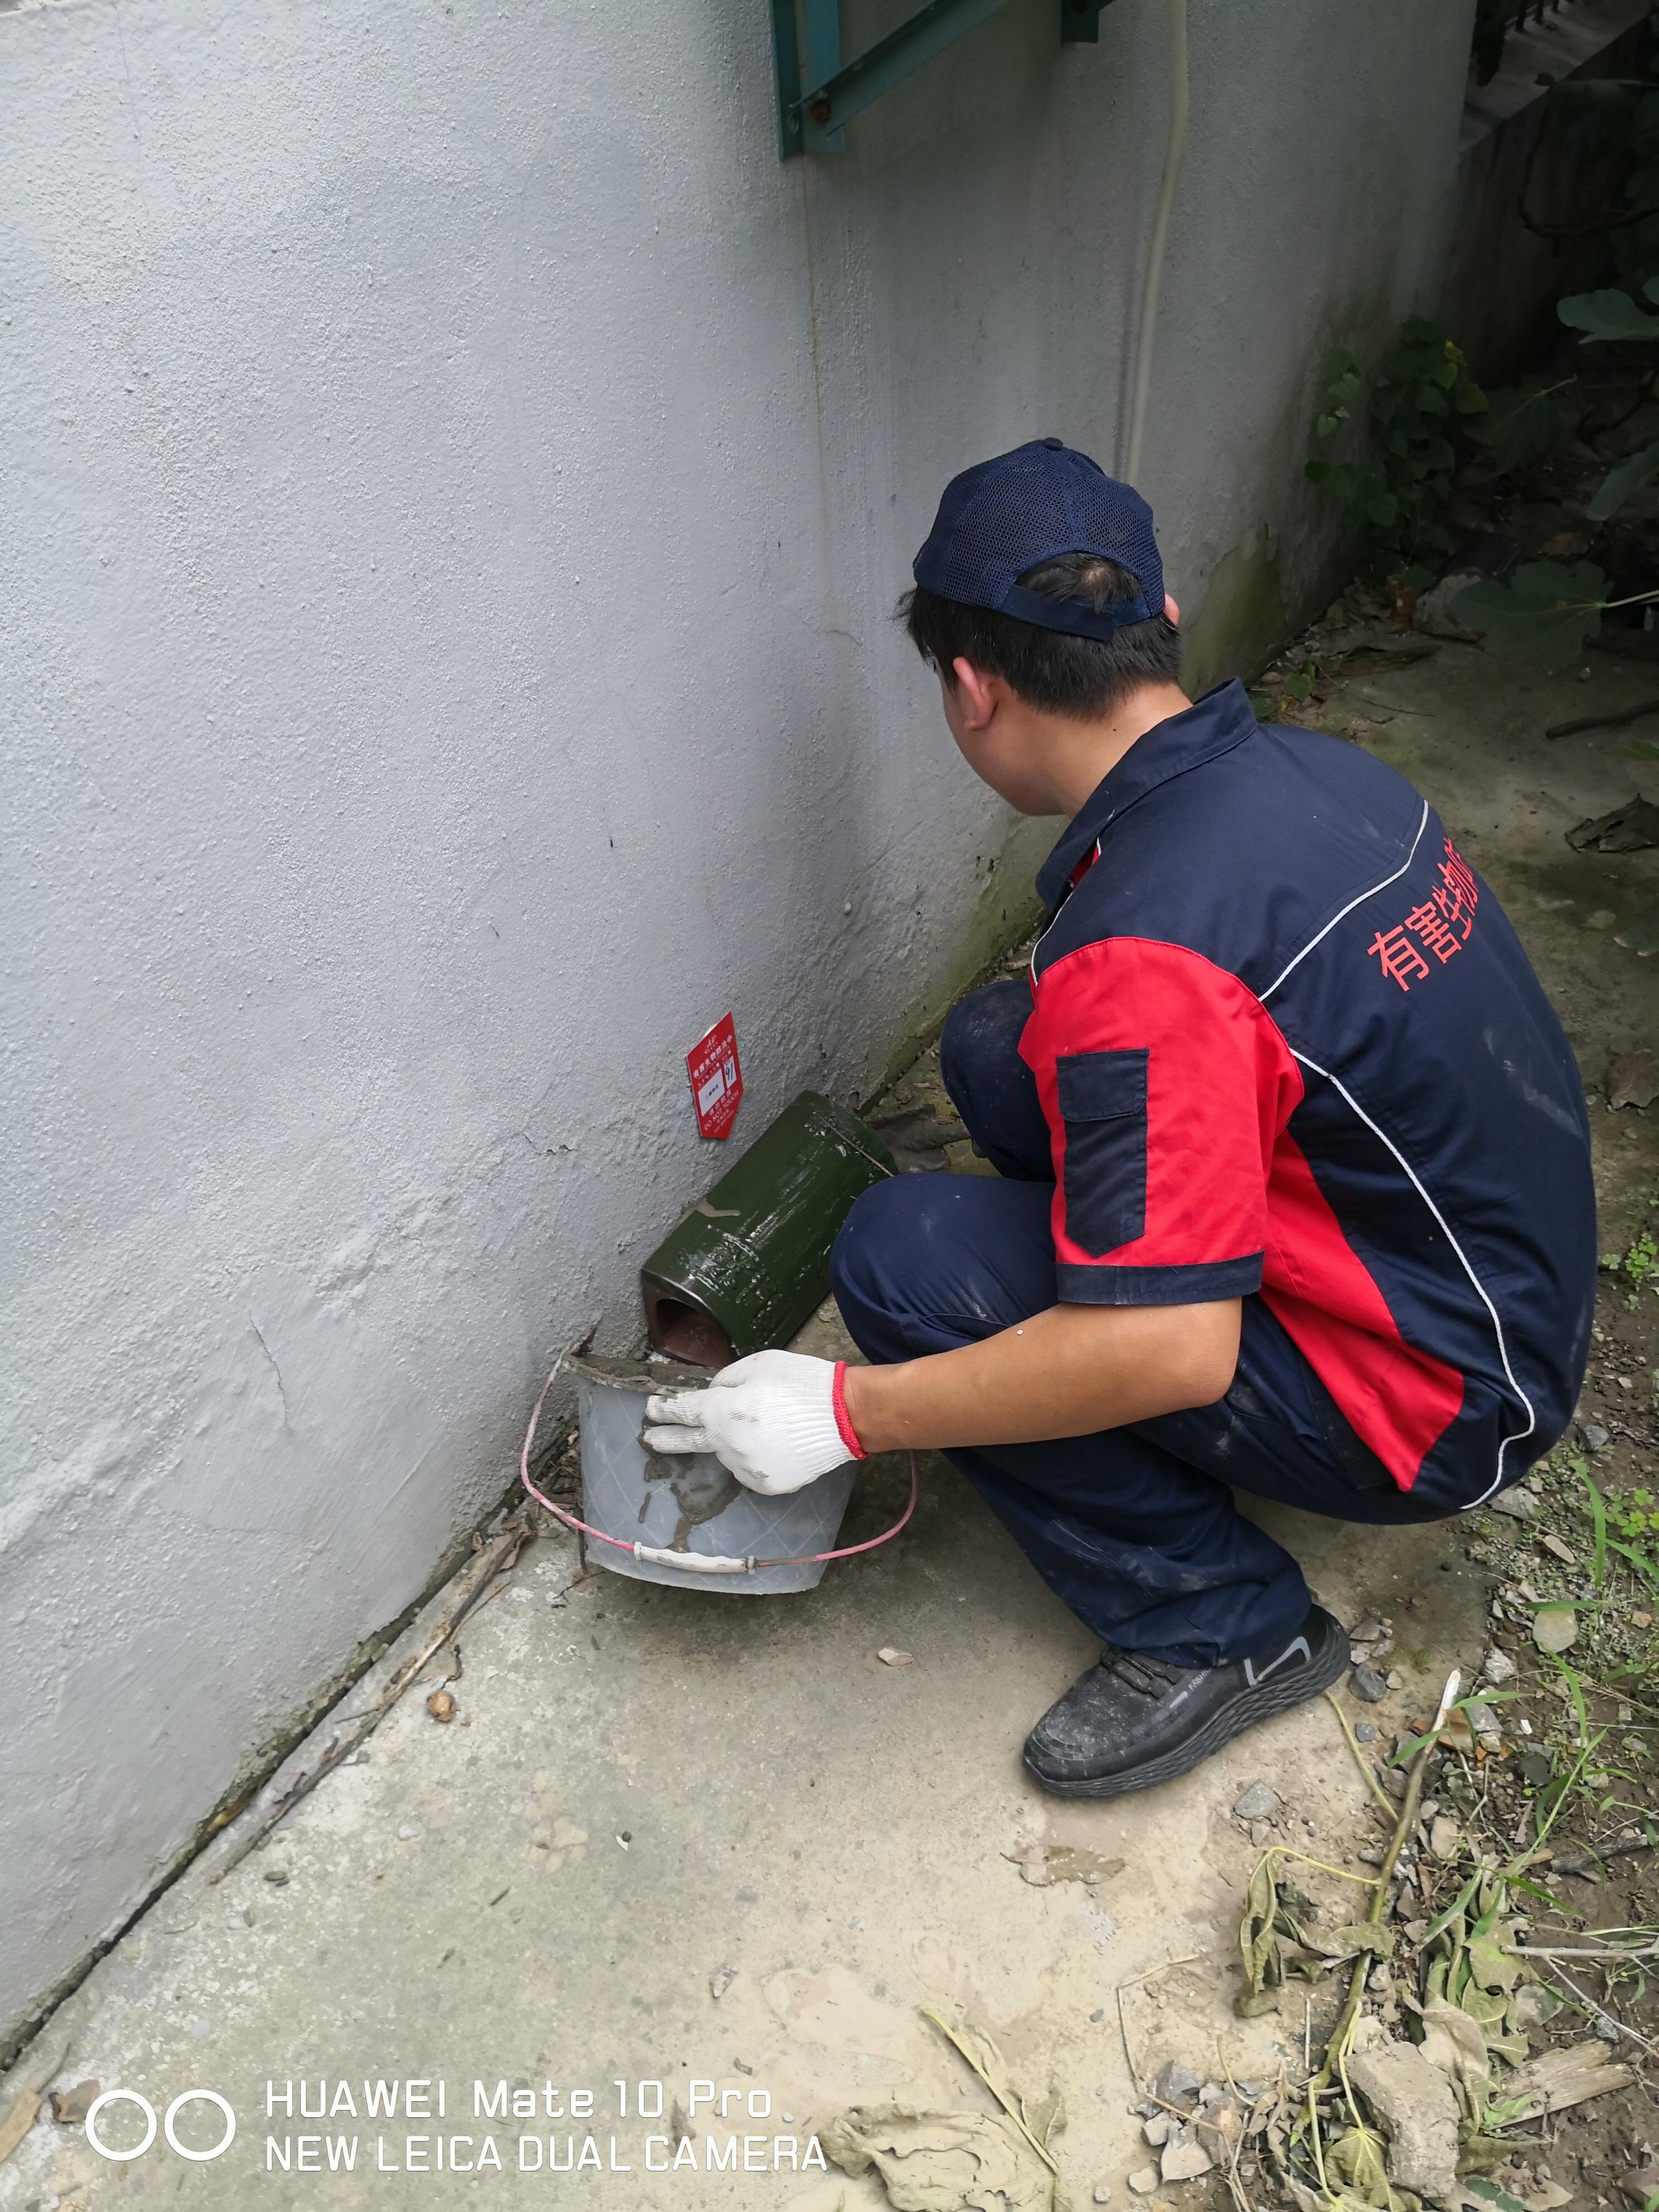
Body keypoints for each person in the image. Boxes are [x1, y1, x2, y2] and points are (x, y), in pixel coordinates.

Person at [644, 438, 1597, 1798]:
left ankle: (1224, 1625)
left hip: (1438, 1399)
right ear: (1162, 623)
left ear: (973, 688)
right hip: (1498, 1290)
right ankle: (1141, 1337)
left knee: (903, 1256)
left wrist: (853, 1410)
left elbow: (1171, 1353)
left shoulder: (1149, 950)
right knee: (1001, 1044)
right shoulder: (1318, 776)